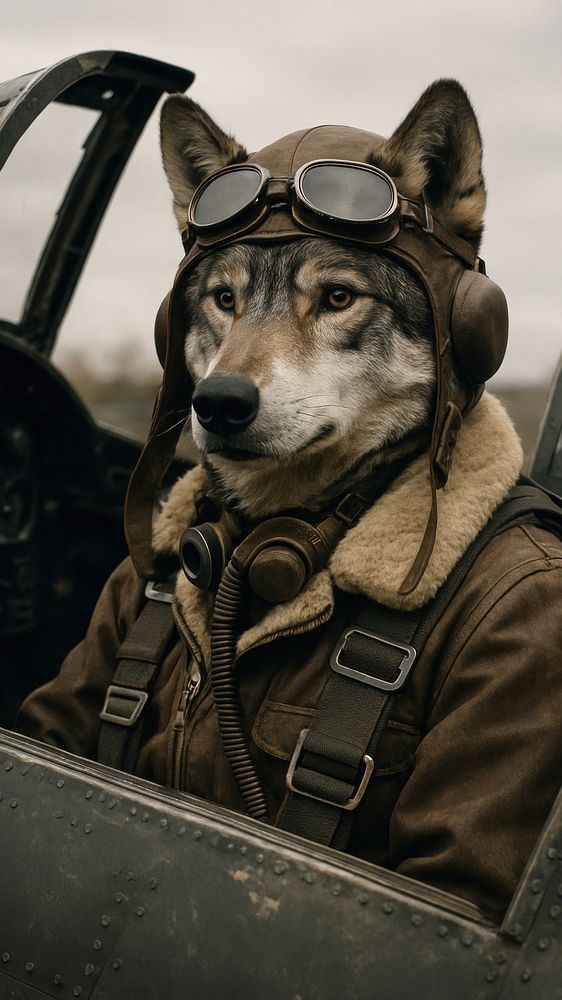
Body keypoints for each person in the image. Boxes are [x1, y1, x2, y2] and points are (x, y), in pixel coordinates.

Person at [18, 79, 562, 921]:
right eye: (225, 301)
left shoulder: (521, 605)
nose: (237, 369)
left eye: (334, 299)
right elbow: (37, 769)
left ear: (458, 329)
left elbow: (451, 943)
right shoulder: (173, 556)